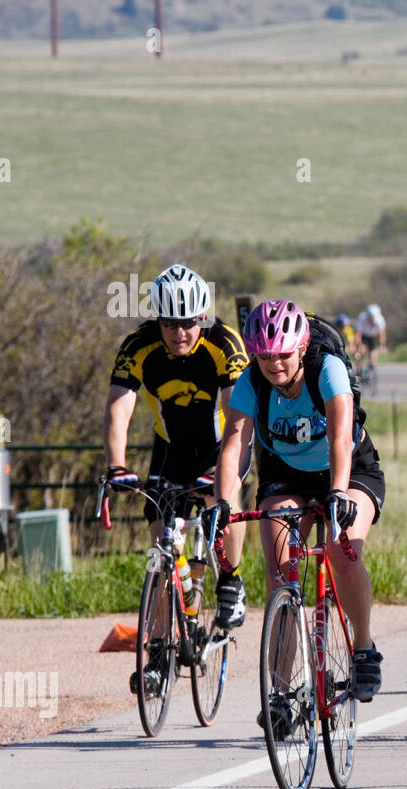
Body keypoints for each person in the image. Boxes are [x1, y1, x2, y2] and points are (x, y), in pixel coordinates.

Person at [213, 300, 386, 727]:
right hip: (286, 476)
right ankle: (281, 693)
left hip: (348, 470)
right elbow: (234, 444)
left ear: (302, 347)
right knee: (280, 573)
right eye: (264, 354)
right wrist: (222, 502)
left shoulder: (327, 368)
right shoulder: (251, 380)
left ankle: (363, 648)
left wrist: (339, 492)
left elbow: (341, 437)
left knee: (341, 551)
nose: (274, 363)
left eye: (283, 354)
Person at [104, 263, 249, 695]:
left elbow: (240, 415)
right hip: (170, 448)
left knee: (224, 503)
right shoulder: (139, 346)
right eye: (170, 323)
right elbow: (118, 408)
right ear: (158, 320)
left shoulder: (225, 343)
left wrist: (221, 472)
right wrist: (116, 465)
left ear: (202, 317)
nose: (179, 333)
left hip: (224, 442)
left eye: (188, 323)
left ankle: (232, 579)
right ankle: (160, 655)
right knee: (162, 547)